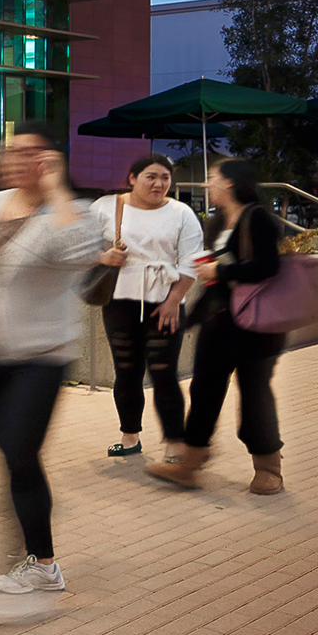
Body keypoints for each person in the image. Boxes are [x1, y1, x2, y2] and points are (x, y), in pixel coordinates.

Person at [0, 122, 104, 612]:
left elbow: (82, 257)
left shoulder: (73, 212)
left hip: (42, 353)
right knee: (14, 458)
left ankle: (43, 567)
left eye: (32, 152)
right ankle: (24, 556)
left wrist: (56, 188)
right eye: (11, 151)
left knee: (20, 452)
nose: (18, 159)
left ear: (52, 159)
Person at [150, 158, 288, 494]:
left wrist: (221, 272)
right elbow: (216, 276)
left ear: (229, 183)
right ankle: (190, 462)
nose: (207, 184)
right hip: (219, 322)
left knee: (255, 394)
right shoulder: (218, 222)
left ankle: (268, 466)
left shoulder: (258, 219)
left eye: (212, 178)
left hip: (257, 326)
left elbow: (269, 268)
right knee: (204, 391)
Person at [93, 154, 206, 458]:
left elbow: (193, 262)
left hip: (165, 303)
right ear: (132, 178)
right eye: (151, 176)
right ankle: (130, 437)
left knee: (163, 371)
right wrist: (103, 257)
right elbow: (77, 244)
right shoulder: (107, 206)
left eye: (165, 178)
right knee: (126, 371)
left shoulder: (181, 213)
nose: (159, 184)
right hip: (120, 300)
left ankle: (173, 441)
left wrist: (173, 301)